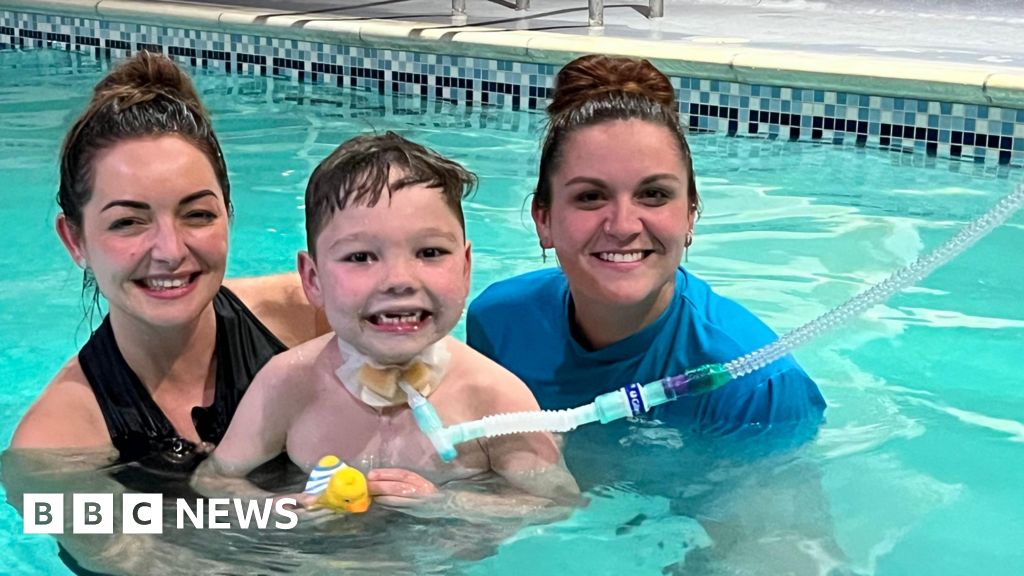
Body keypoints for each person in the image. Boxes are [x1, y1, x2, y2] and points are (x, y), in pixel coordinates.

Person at [193, 132, 578, 518]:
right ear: (313, 280)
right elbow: (213, 479)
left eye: (430, 252)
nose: (399, 279)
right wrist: (277, 508)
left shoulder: (490, 397)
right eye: (360, 256)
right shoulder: (289, 384)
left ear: (465, 268)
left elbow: (556, 504)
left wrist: (447, 504)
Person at [467, 54, 826, 437]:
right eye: (590, 197)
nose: (623, 226)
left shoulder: (754, 385)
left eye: (653, 194)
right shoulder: (500, 325)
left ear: (690, 215)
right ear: (544, 220)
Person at [7, 51, 325, 466]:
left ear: (228, 215)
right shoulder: (54, 448)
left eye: (197, 215)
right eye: (128, 223)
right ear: (75, 240)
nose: (171, 251)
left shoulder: (312, 316)